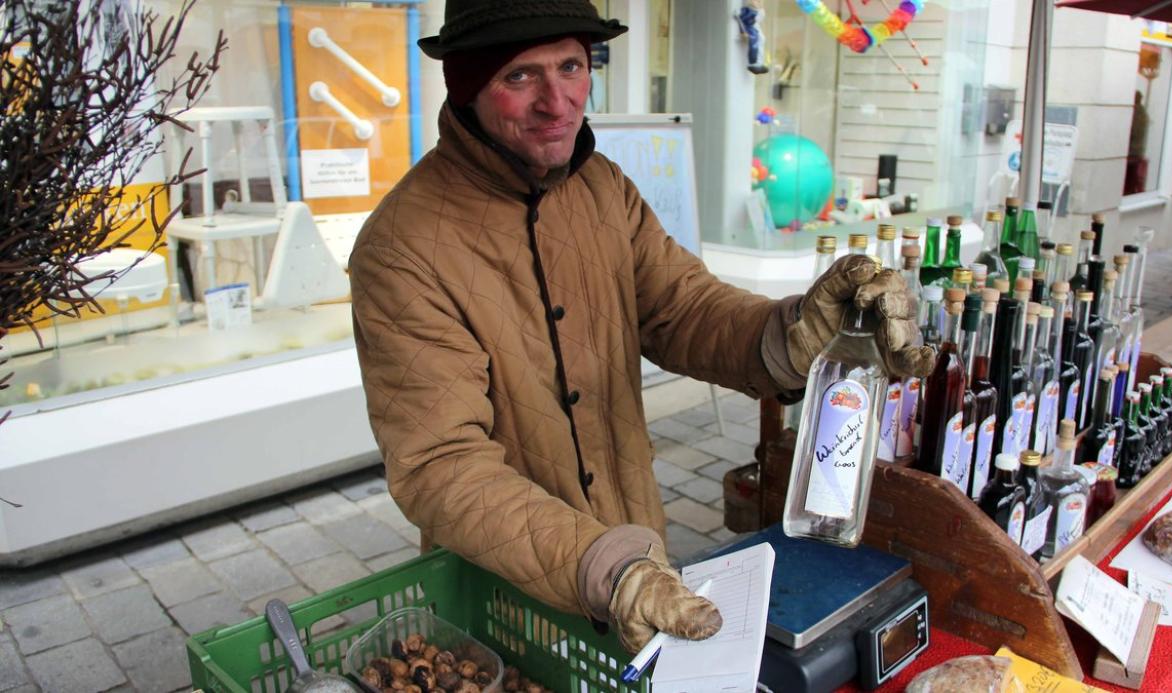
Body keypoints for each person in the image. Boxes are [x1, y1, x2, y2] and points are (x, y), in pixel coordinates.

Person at [349, 0, 935, 654]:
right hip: (507, 601)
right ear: (467, 87)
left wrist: (798, 329)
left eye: (571, 65)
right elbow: (441, 465)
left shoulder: (602, 187)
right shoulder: (403, 248)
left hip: (640, 564)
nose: (557, 100)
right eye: (520, 76)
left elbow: (684, 309)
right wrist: (605, 565)